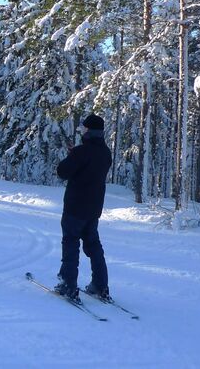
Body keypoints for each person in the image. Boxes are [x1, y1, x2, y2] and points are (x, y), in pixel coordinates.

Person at [53, 113, 112, 301]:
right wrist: (76, 155)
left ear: (89, 131)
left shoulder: (82, 151)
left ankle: (68, 284)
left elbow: (62, 171)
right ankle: (100, 285)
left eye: (84, 128)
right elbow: (89, 169)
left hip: (75, 208)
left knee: (70, 243)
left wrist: (73, 155)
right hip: (93, 209)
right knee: (94, 246)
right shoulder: (105, 153)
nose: (82, 131)